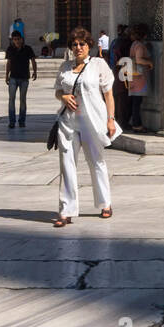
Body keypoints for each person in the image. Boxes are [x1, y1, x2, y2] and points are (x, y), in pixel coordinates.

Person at [53, 28, 117, 226]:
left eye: (82, 44)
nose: (78, 47)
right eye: (75, 44)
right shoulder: (65, 67)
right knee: (67, 164)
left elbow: (108, 95)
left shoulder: (98, 64)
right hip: (68, 122)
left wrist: (111, 119)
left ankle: (105, 203)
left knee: (96, 161)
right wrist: (63, 96)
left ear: (89, 45)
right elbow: (58, 91)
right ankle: (66, 210)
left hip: (92, 121)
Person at [4, 30, 37, 129]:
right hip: (13, 77)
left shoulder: (27, 49)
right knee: (11, 99)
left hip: (24, 78)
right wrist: (6, 75)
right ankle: (12, 121)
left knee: (23, 100)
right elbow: (8, 63)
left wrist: (35, 71)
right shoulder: (10, 49)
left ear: (21, 39)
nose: (17, 41)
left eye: (18, 39)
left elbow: (33, 60)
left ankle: (22, 121)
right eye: (14, 39)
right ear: (12, 40)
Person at [126, 24, 153, 132]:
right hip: (139, 77)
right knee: (137, 102)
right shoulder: (140, 46)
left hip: (133, 76)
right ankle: (137, 125)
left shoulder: (134, 44)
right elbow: (138, 60)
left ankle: (134, 123)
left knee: (135, 101)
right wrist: (150, 63)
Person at [110, 25, 133, 127]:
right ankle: (122, 122)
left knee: (119, 97)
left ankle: (119, 120)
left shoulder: (115, 41)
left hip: (115, 71)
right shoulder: (125, 42)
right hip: (122, 72)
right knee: (123, 98)